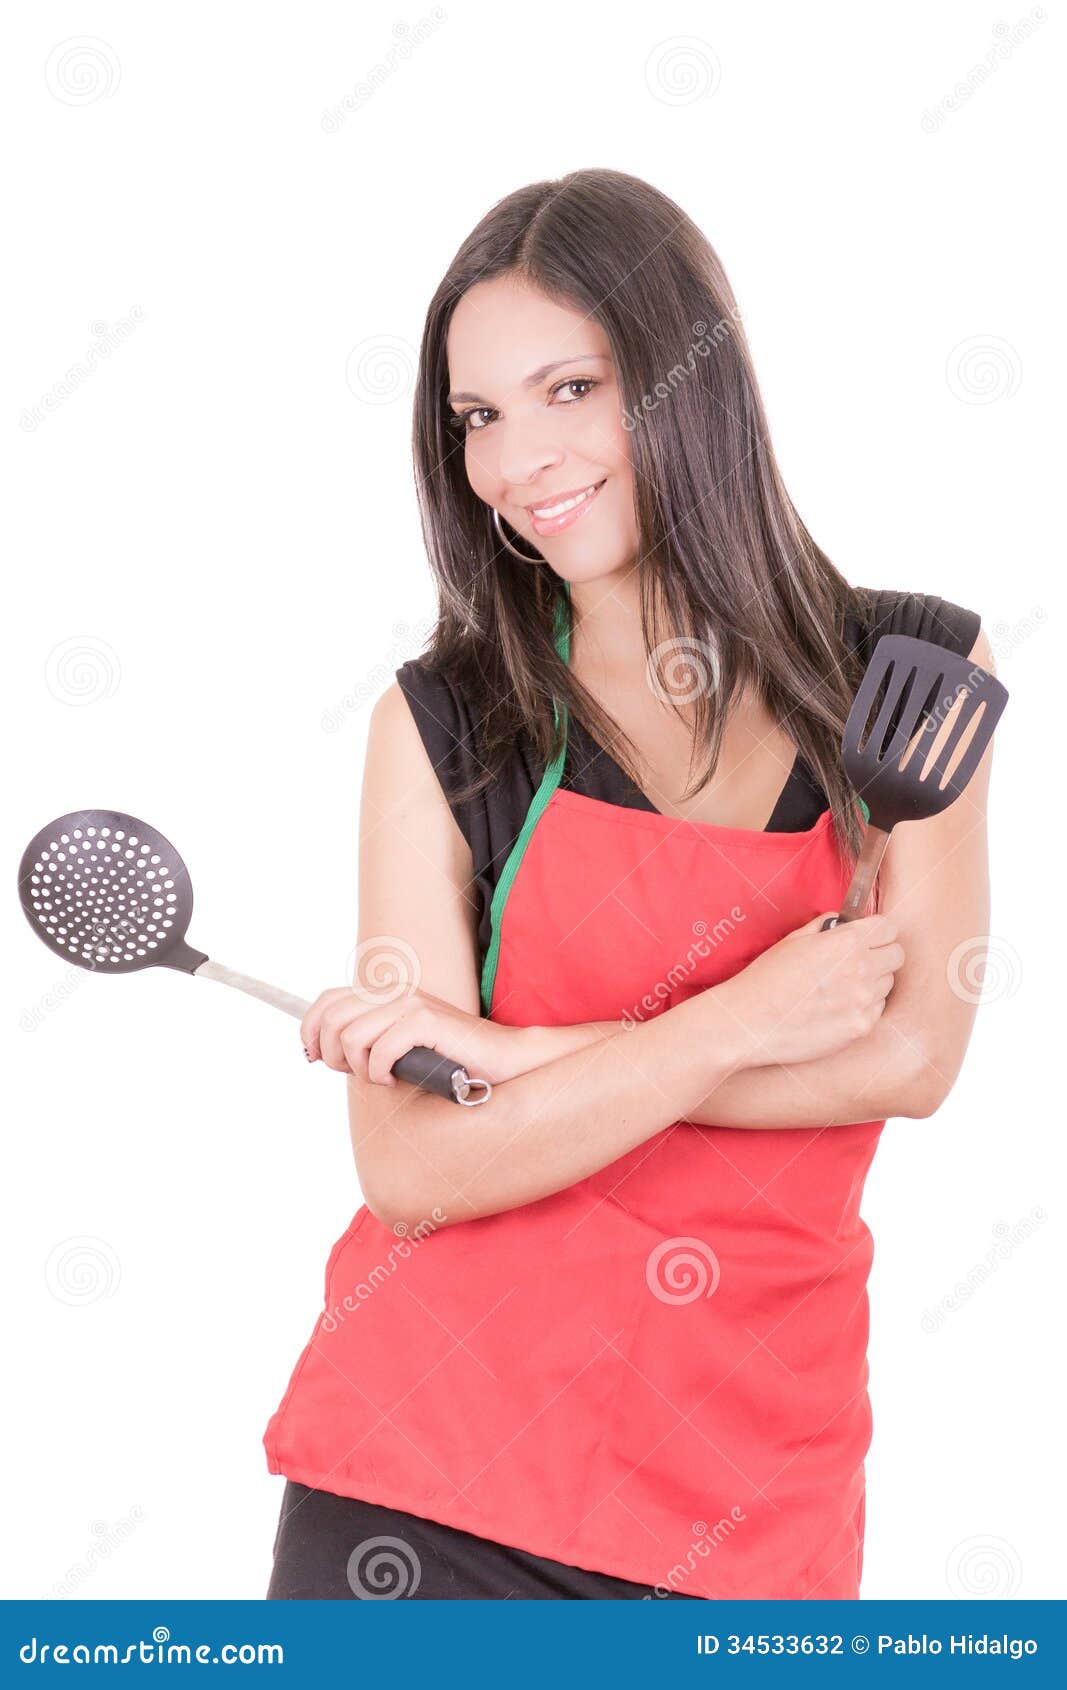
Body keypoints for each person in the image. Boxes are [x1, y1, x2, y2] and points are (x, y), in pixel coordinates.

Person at [263, 168, 996, 1600]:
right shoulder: (445, 722)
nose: (517, 459)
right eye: (478, 416)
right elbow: (414, 1168)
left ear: (687, 376)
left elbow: (912, 1057)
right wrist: (740, 1021)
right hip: (426, 1477)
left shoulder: (905, 681)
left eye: (571, 388)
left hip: (754, 1489)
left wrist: (517, 1056)